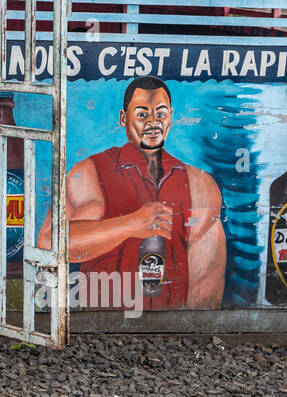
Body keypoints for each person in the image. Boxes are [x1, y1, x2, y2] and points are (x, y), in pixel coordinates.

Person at [38, 76, 226, 310]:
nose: (152, 122)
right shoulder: (91, 172)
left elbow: (207, 277)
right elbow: (48, 243)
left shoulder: (199, 183)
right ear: (123, 119)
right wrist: (130, 224)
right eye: (142, 114)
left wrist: (186, 331)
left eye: (160, 113)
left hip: (168, 324)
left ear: (171, 117)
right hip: (100, 320)